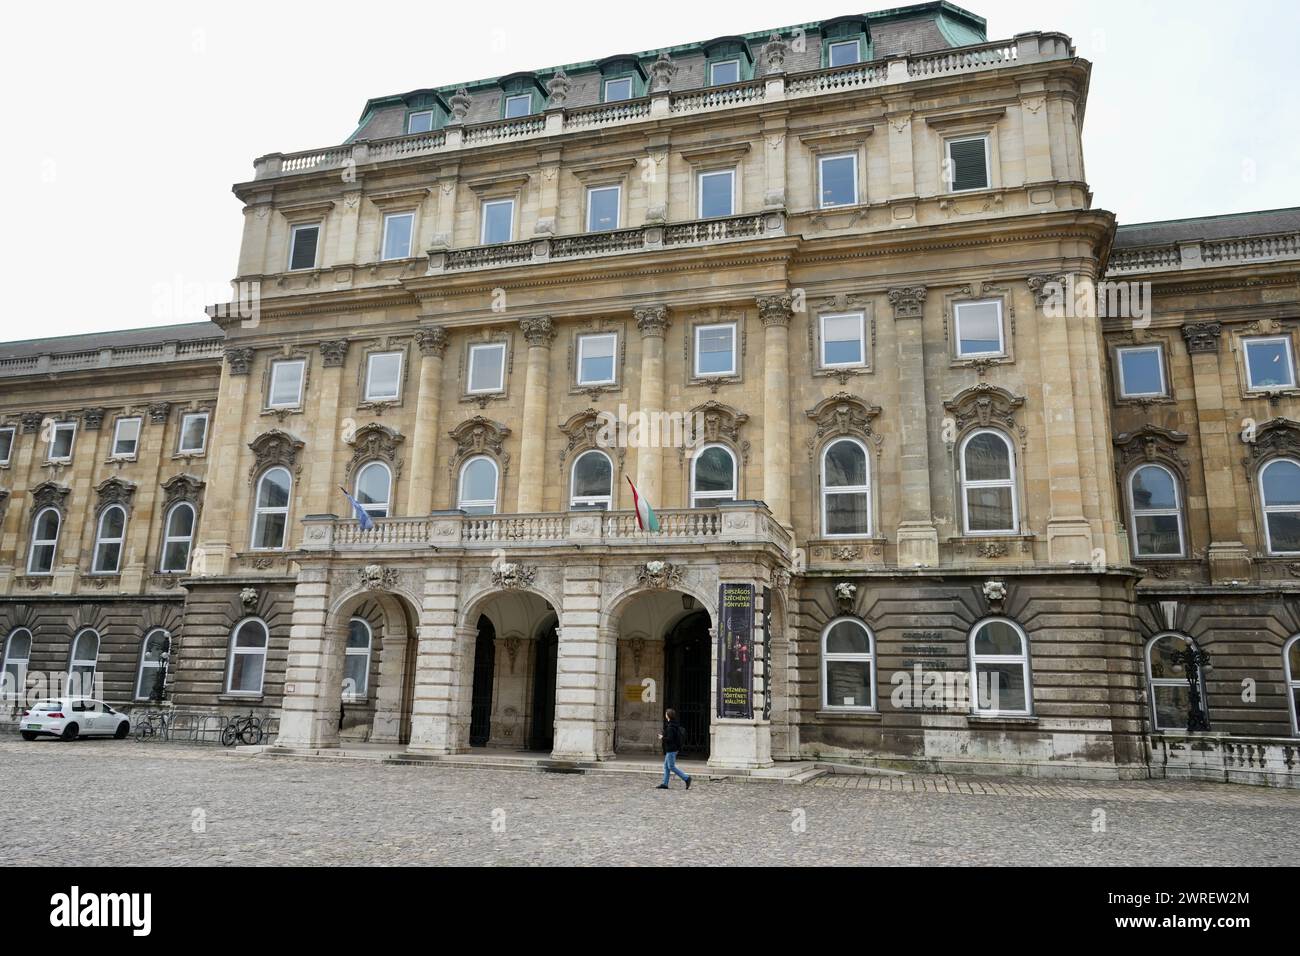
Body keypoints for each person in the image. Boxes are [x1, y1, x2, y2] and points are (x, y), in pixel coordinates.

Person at [656, 708, 692, 790]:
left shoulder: (670, 727)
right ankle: (665, 784)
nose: (665, 715)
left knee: (671, 766)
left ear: (668, 716)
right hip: (672, 749)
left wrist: (662, 737)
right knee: (666, 766)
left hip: (671, 749)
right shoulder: (672, 725)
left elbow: (670, 739)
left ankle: (686, 778)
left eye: (666, 714)